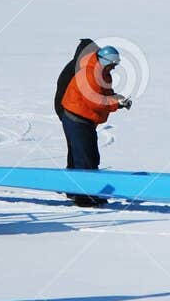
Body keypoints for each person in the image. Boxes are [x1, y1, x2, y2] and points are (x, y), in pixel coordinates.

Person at [54, 39, 131, 203]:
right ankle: (83, 197)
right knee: (84, 159)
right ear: (105, 61)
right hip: (76, 119)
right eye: (113, 64)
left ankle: (84, 192)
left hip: (85, 120)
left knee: (89, 157)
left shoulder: (103, 73)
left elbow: (106, 95)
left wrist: (118, 100)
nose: (115, 67)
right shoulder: (89, 73)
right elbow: (95, 100)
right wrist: (116, 102)